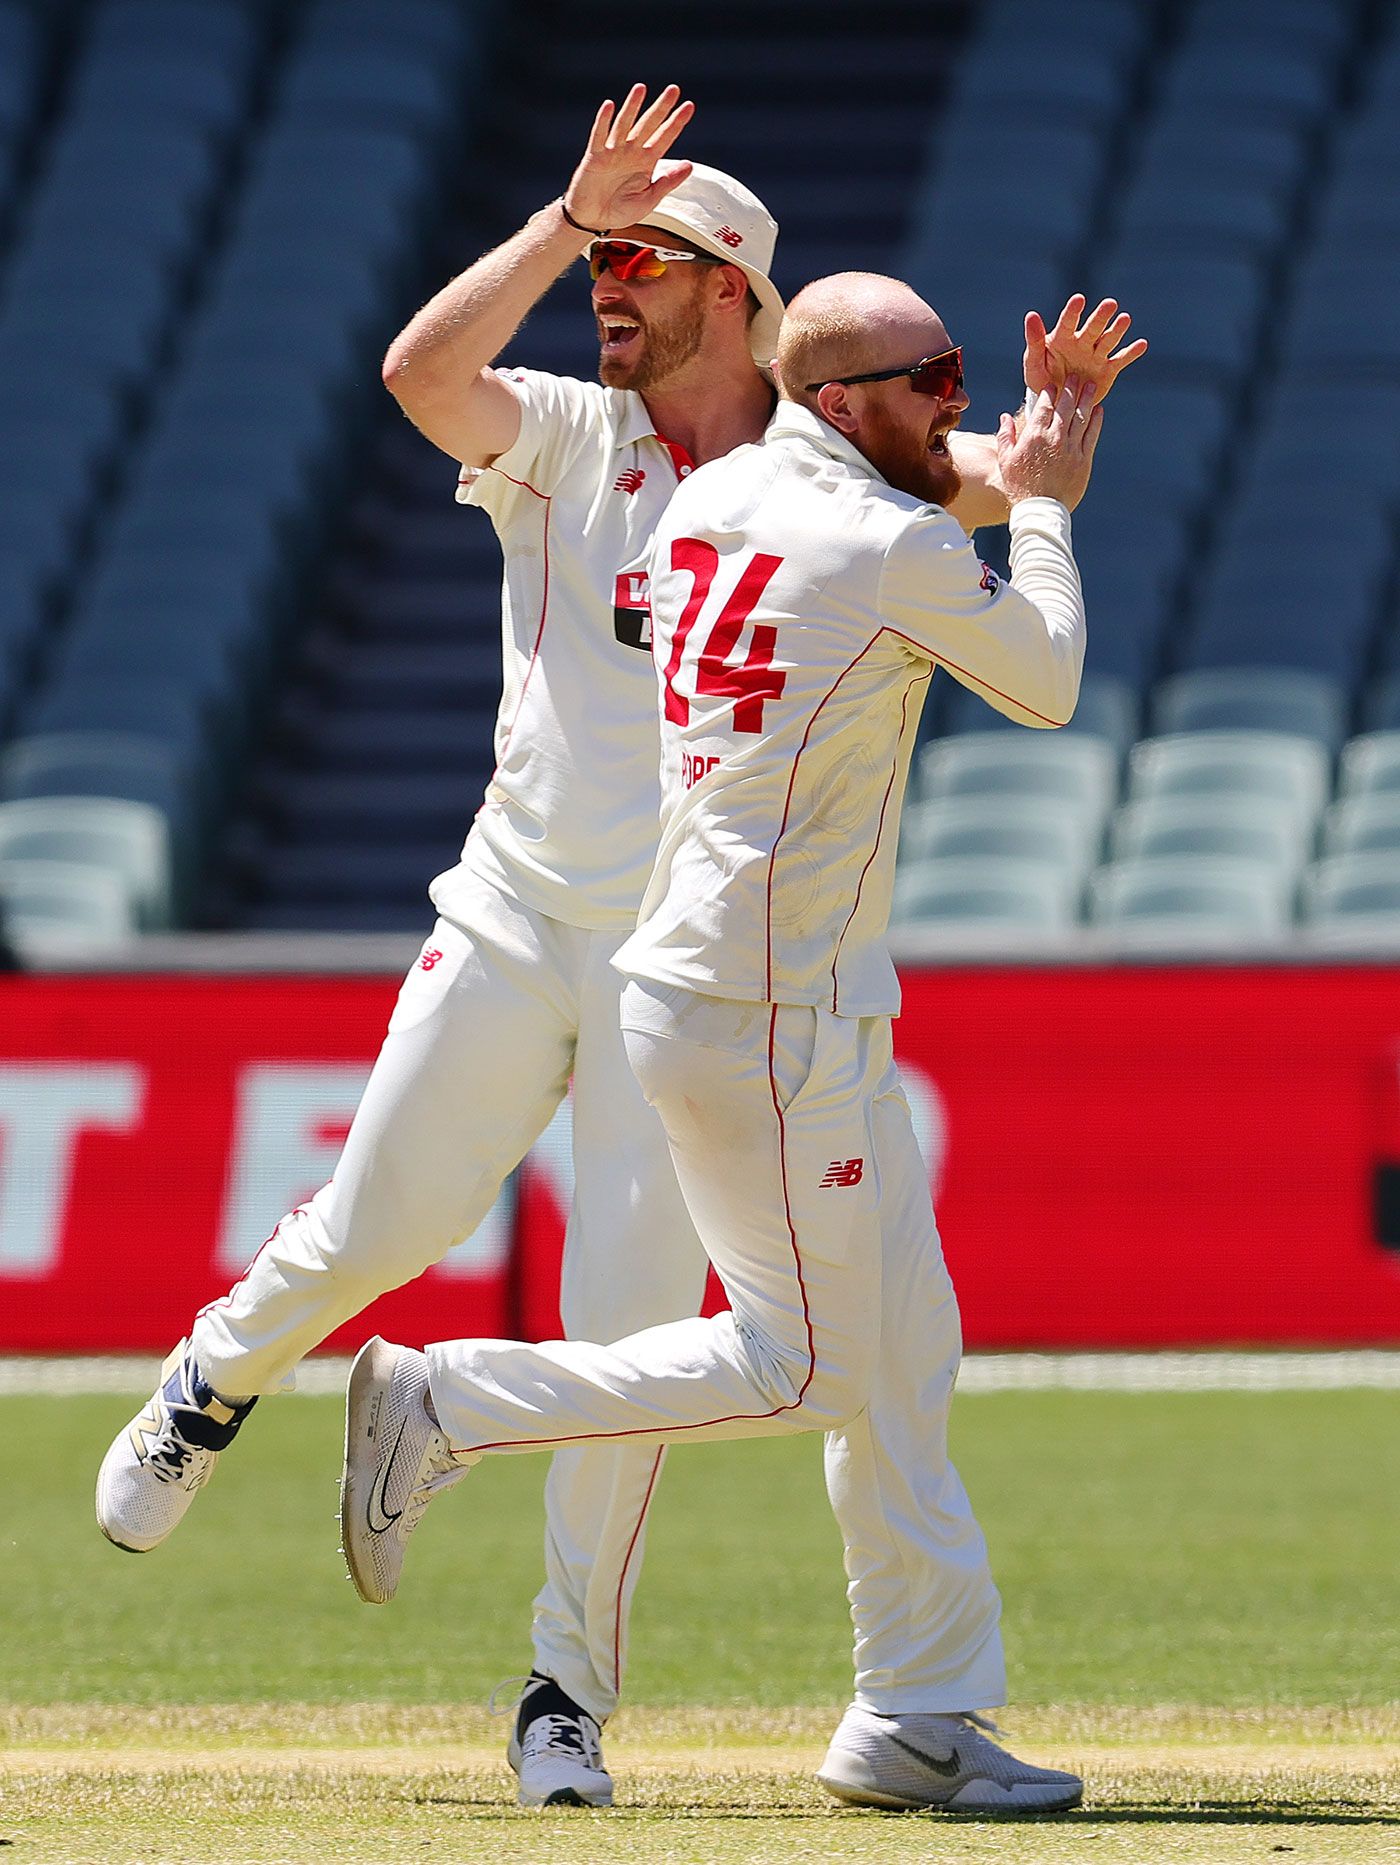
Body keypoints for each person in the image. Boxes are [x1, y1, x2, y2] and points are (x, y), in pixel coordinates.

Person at [97, 87, 1140, 1811]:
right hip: (524, 909)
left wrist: (1019, 461)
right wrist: (560, 222)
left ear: (734, 290)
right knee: (392, 1219)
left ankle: (566, 1689)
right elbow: (420, 380)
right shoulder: (579, 431)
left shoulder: (827, 467)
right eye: (608, 257)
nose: (611, 284)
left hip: (680, 950)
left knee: (648, 1319)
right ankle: (215, 1378)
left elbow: (954, 471)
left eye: (645, 260)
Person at [339, 270, 1106, 1815]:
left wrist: (994, 464)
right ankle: (452, 1401)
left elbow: (838, 533)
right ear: (842, 401)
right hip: (765, 1011)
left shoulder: (722, 499)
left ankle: (918, 1708)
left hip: (751, 983)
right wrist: (1044, 508)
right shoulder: (886, 539)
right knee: (807, 1367)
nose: (953, 402)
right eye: (932, 376)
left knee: (904, 1357)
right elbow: (1047, 675)